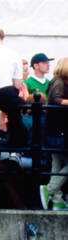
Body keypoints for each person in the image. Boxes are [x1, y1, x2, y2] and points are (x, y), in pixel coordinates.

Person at [44, 57, 68, 209]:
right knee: (59, 161)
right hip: (58, 130)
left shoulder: (59, 82)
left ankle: (56, 197)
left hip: (56, 129)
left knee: (57, 163)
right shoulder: (58, 82)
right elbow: (56, 100)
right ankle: (51, 189)